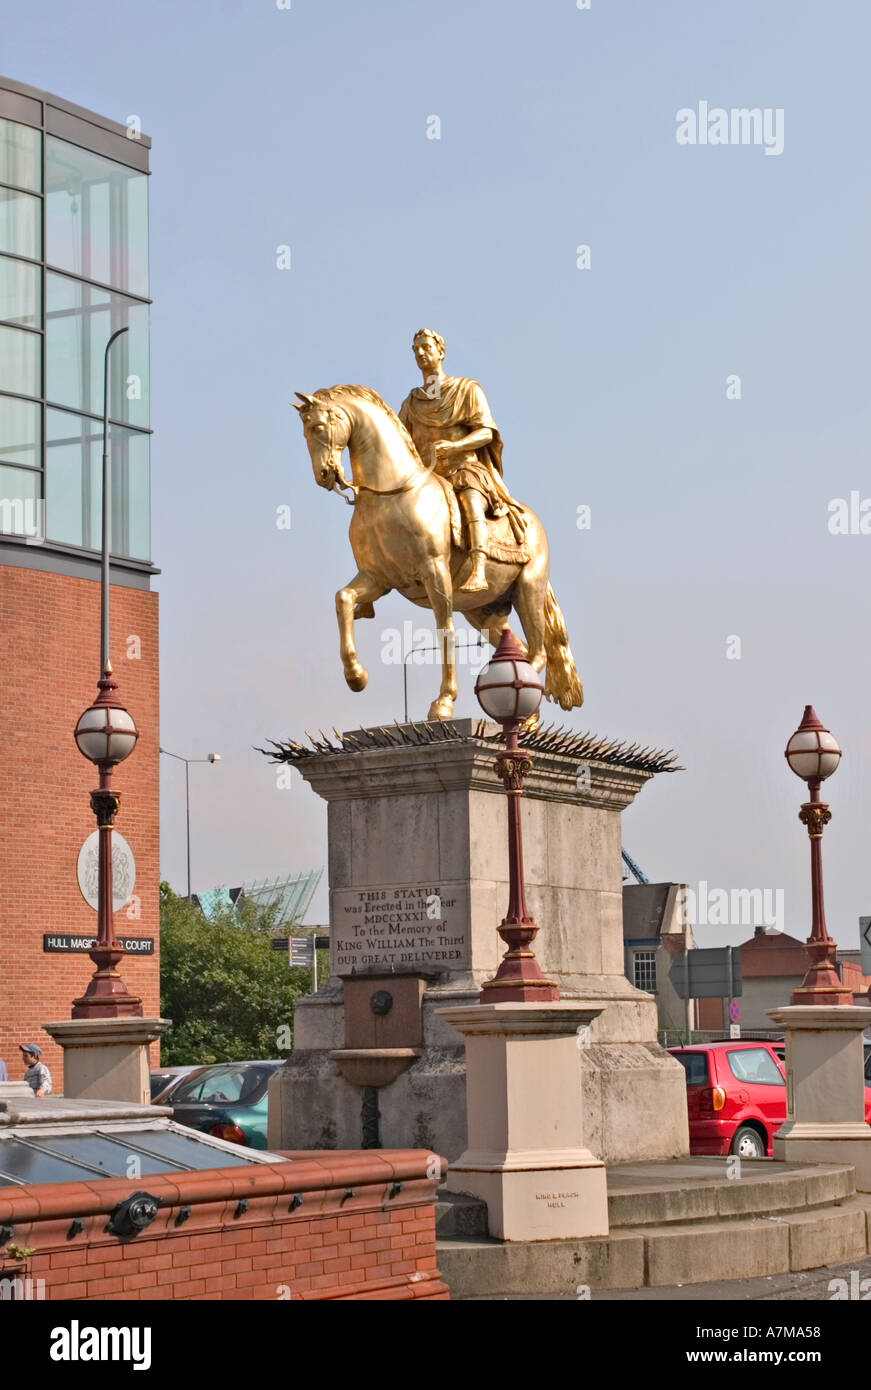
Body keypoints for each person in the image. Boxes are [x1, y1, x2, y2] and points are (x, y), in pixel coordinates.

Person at [398, 329, 526, 592]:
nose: (421, 354)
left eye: (426, 347)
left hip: (464, 467)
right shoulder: (412, 403)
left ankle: (478, 568)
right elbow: (400, 440)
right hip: (427, 477)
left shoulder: (466, 390)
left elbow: (486, 432)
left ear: (440, 352)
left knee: (469, 496)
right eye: (416, 350)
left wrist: (456, 446)